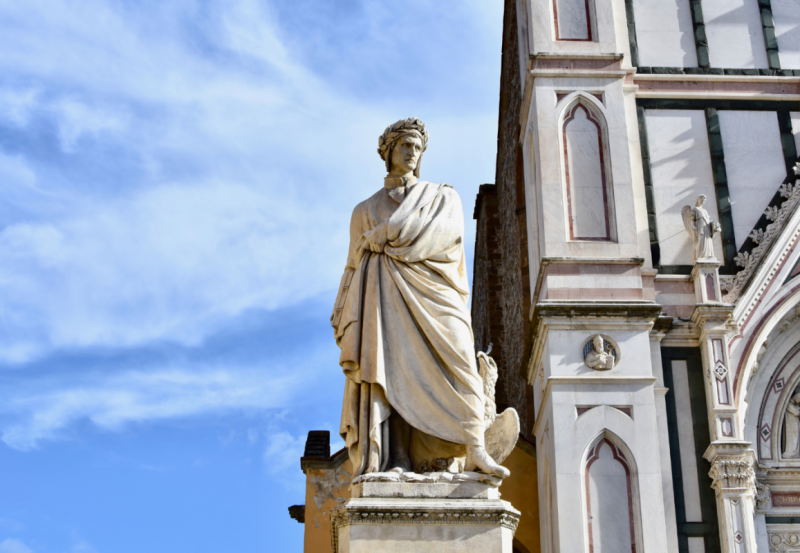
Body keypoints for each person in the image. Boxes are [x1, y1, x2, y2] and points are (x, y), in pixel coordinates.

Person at [331, 117, 508, 478]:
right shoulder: (364, 210)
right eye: (404, 145)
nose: (412, 152)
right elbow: (353, 263)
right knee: (388, 369)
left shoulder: (442, 197)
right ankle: (397, 458)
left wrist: (388, 233)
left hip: (436, 293)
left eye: (417, 147)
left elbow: (446, 234)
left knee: (461, 361)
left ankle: (473, 447)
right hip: (383, 298)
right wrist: (344, 310)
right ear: (388, 152)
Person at [783, 392, 800, 459]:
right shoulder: (789, 404)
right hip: (791, 425)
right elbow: (796, 412)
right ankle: (791, 452)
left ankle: (795, 453)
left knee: (796, 438)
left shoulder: (794, 405)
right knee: (793, 438)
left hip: (795, 423)